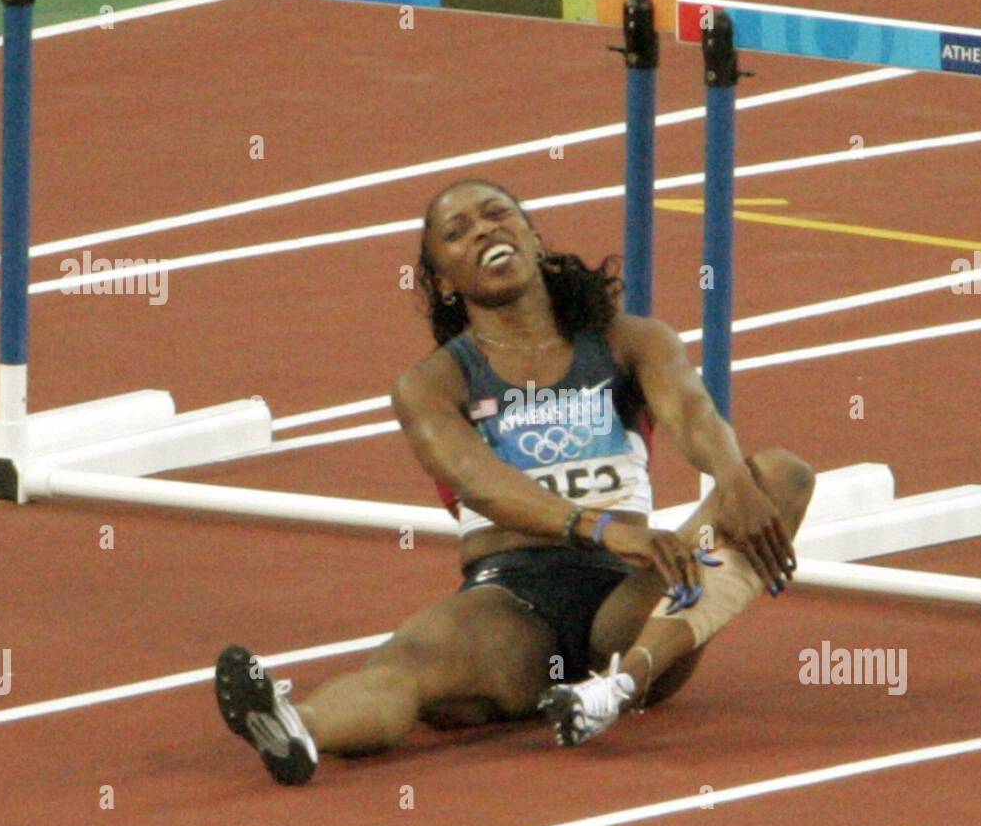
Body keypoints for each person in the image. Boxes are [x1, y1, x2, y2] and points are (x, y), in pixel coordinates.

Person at [215, 179, 815, 784]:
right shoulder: (432, 385)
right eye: (457, 233)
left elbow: (691, 414)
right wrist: (601, 528)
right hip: (512, 603)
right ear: (443, 280)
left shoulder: (631, 341)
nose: (482, 230)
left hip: (632, 599)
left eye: (497, 214)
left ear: (531, 235)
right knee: (406, 666)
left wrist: (733, 478)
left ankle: (621, 680)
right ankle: (296, 728)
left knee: (780, 475)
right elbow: (483, 484)